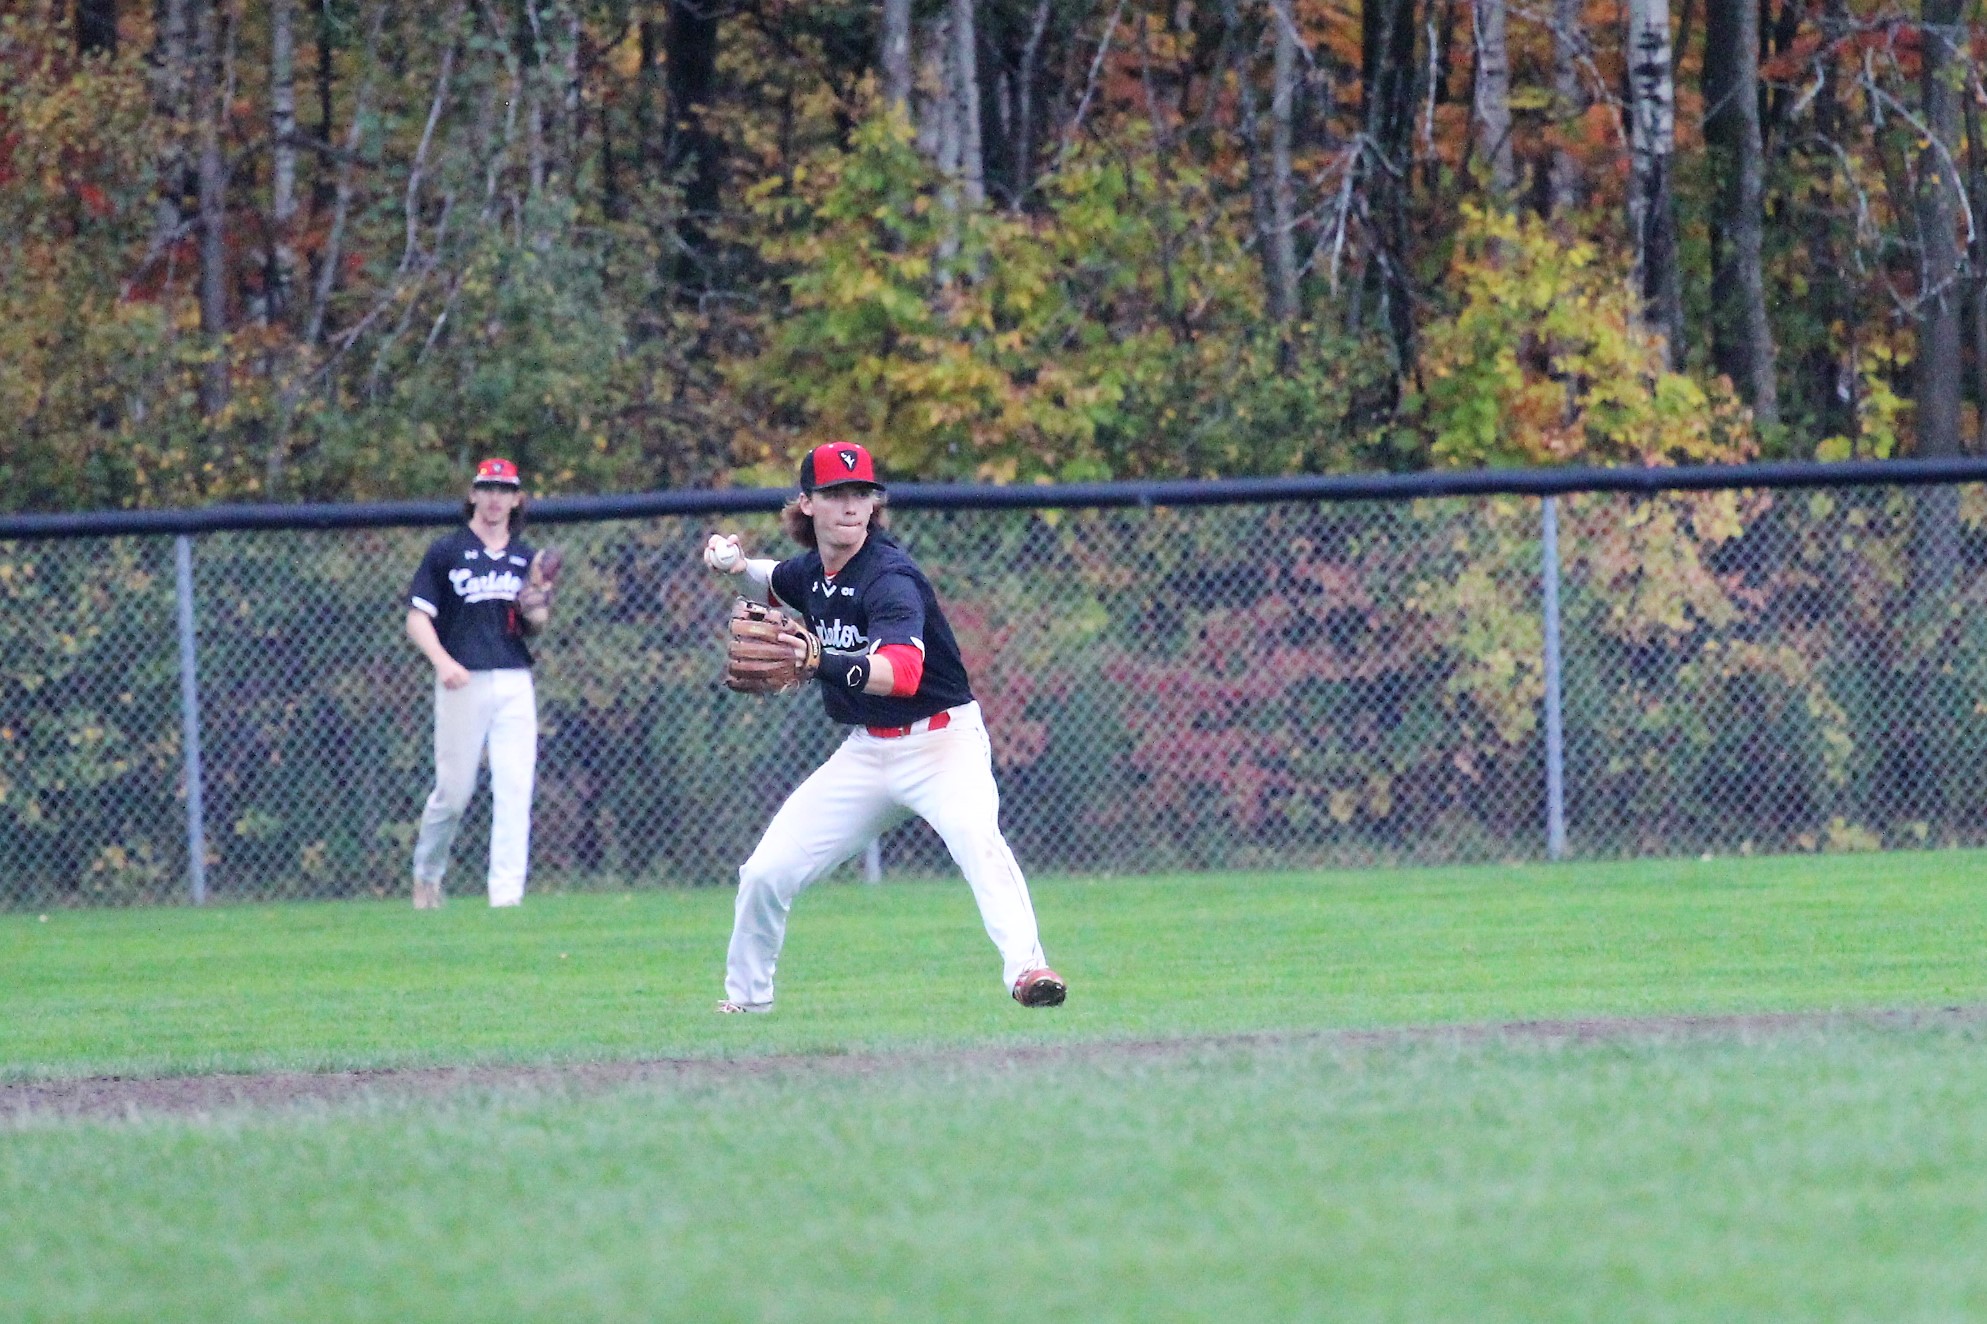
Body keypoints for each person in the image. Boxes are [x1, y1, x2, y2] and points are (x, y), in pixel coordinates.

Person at [703, 441, 1066, 1012]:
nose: (851, 506)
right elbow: (777, 582)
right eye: (835, 494)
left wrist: (819, 660)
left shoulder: (890, 576)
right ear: (806, 504)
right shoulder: (815, 572)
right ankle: (746, 1003)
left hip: (943, 744)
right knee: (765, 873)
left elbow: (901, 673)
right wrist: (736, 568)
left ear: (874, 505)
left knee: (978, 840)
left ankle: (1029, 970)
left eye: (862, 494)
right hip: (868, 752)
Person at [404, 457, 551, 909]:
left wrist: (535, 605)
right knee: (454, 792)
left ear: (516, 499)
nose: (494, 498)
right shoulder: (447, 552)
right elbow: (417, 618)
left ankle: (506, 898)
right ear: (472, 495)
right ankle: (427, 876)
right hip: (462, 680)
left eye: (503, 490)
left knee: (514, 789)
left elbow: (537, 623)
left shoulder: (525, 557)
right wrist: (442, 661)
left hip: (513, 678)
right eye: (486, 488)